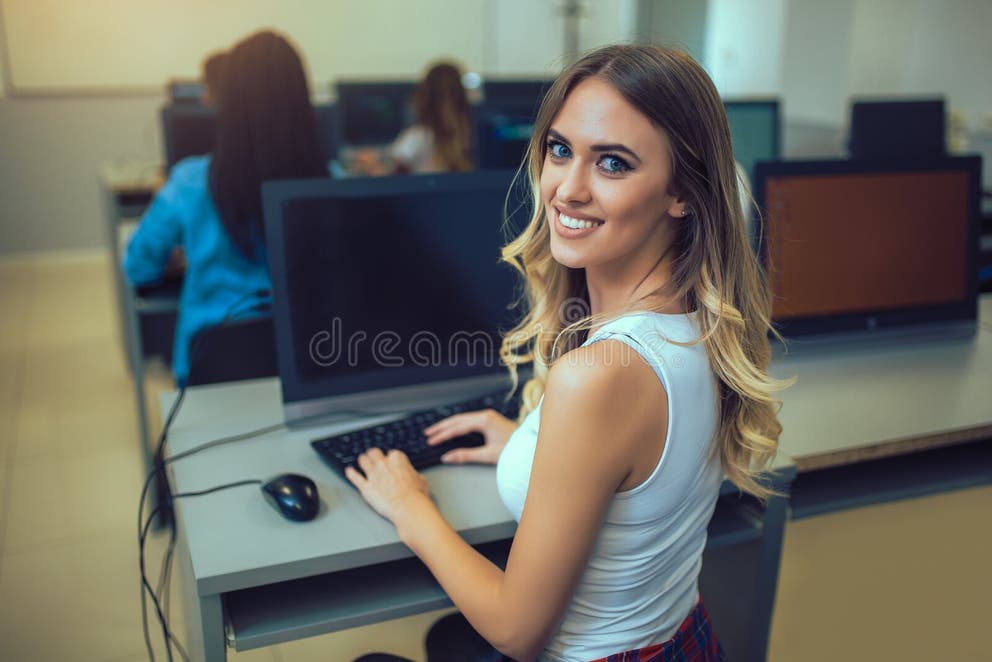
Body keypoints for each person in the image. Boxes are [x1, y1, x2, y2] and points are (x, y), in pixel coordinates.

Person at [346, 44, 787, 662]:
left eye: (612, 163)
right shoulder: (702, 325)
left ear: (683, 192)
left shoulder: (599, 378)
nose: (567, 189)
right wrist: (534, 446)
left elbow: (516, 632)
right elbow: (640, 472)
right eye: (559, 150)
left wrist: (410, 508)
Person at [123, 31, 328, 386]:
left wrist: (182, 258)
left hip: (213, 370)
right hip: (310, 364)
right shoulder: (331, 183)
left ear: (227, 102)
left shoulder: (191, 181)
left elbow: (138, 268)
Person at [353, 61, 473, 175]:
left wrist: (371, 166)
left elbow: (393, 182)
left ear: (425, 97)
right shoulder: (471, 136)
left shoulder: (417, 137)